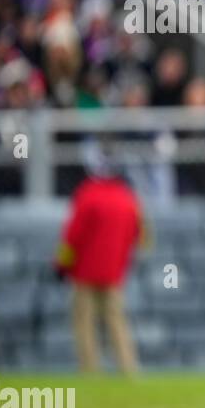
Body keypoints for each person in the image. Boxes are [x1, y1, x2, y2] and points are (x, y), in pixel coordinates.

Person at [56, 145, 145, 374]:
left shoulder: (87, 195)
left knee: (84, 323)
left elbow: (72, 236)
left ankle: (90, 370)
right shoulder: (128, 199)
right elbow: (137, 236)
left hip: (85, 272)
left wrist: (61, 265)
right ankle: (128, 368)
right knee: (117, 322)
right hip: (114, 273)